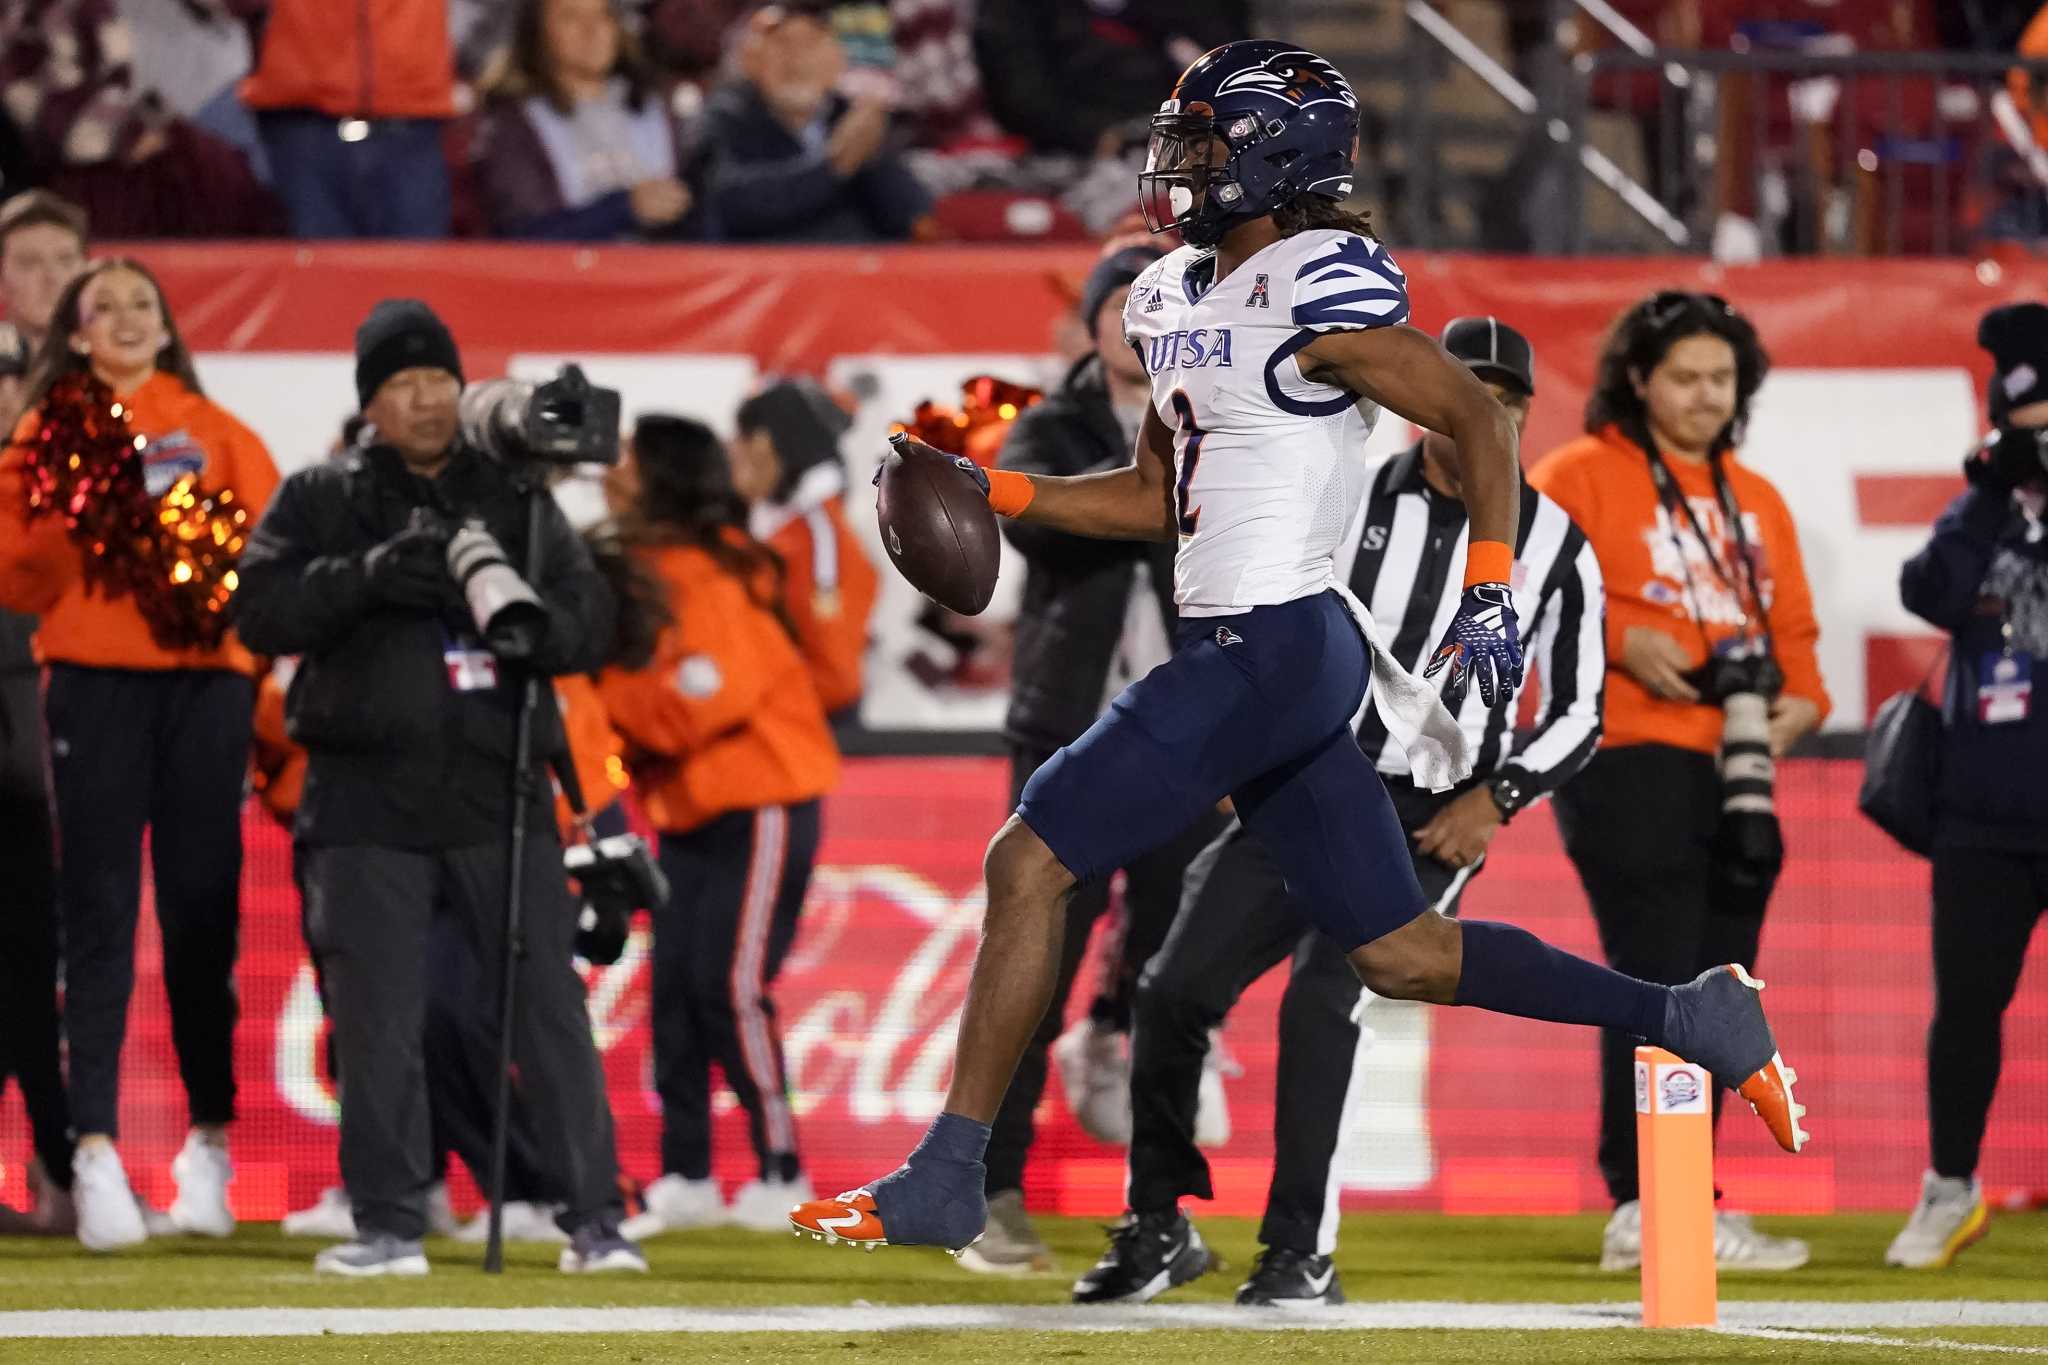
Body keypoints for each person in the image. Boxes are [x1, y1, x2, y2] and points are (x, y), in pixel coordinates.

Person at [791, 40, 1806, 1256]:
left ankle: (950, 1171)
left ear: (1276, 151)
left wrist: (1489, 586)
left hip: (1271, 642)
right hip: (1269, 649)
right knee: (1402, 952)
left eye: (1204, 141)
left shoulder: (1320, 275)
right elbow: (1153, 499)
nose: (1178, 165)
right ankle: (1692, 1017)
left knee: (1028, 859)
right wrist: (1001, 493)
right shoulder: (1169, 295)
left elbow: (1474, 416)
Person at [1085, 315, 1607, 1306]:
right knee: (1171, 989)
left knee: (1326, 997)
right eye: (1462, 397)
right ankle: (1155, 1221)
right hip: (1309, 776)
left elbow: (1580, 707)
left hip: (1430, 808)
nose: (1476, 420)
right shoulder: (1349, 489)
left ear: (1524, 415)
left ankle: (1297, 1252)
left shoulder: (1556, 543)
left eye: (1500, 404)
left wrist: (1491, 800)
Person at [233, 299, 638, 1276]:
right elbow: (259, 612)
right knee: (376, 1019)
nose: (425, 401)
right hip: (362, 797)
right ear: (369, 403)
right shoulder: (316, 496)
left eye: (439, 383)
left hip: (498, 789)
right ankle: (388, 1222)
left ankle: (593, 1221)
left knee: (546, 1009)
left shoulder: (520, 497)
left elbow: (592, 625)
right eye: (402, 385)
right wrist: (371, 575)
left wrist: (534, 618)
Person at [1529, 290, 1827, 1272]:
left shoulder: (1759, 497)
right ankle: (1644, 1203)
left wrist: (1800, 705)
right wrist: (1620, 637)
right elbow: (1509, 597)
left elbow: (1796, 649)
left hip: (1735, 765)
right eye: (1685, 377)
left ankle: (1675, 1199)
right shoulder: (1576, 475)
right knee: (1657, 974)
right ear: (1636, 382)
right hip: (1624, 751)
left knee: (1720, 984)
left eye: (1721, 378)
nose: (1706, 396)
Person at [956, 244, 1233, 1276]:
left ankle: (1154, 1204)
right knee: (1032, 966)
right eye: (1117, 306)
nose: (1131, 322)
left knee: (1175, 967)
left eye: (1149, 304)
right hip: (1070, 730)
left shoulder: (1217, 414)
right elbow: (1031, 529)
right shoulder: (1051, 425)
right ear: (1089, 326)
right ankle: (988, 1192)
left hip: (1188, 731)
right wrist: (1137, 500)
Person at [0, 257, 279, 1252]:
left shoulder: (215, 431)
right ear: (73, 334)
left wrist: (196, 546)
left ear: (166, 327)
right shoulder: (48, 431)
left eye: (141, 306)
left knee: (202, 913)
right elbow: (16, 572)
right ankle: (95, 1149)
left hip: (209, 685)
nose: (123, 318)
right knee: (101, 917)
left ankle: (209, 1144)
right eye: (102, 307)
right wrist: (82, 512)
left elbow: (271, 557)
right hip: (93, 684)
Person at [598, 414, 838, 1235]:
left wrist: (600, 705)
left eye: (628, 458)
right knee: (675, 994)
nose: (611, 469)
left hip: (762, 798)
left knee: (729, 987)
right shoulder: (640, 566)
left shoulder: (706, 574)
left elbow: (700, 702)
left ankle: (783, 1166)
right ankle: (687, 1171)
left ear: (661, 476)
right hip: (692, 806)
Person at [1886, 301, 2048, 1269]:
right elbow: (1925, 593)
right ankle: (1948, 1185)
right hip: (1982, 819)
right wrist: (1993, 489)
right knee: (1965, 1010)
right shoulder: (1981, 511)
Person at [0, 189, 85, 1237]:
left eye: (67, 256)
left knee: (49, 953)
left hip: (67, 705)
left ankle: (72, 1167)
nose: (51, 276)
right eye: (29, 259)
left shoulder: (117, 413)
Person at [695, 2, 933, 242]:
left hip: (853, 271)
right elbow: (734, 203)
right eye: (782, 43)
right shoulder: (727, 116)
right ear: (751, 61)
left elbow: (910, 213)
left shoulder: (851, 117)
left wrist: (872, 156)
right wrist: (835, 166)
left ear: (837, 62)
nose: (796, 60)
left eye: (810, 44)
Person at [476, 0, 702, 241]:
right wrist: (623, 208)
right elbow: (523, 241)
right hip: (569, 275)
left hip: (662, 272)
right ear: (537, 32)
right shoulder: (513, 126)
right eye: (571, 17)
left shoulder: (655, 110)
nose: (591, 30)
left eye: (602, 15)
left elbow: (701, 215)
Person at [239, 0, 456, 238]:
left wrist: (474, 66)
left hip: (413, 121)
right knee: (313, 268)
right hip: (302, 119)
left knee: (415, 269)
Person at [730, 377, 878, 721]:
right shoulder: (788, 529)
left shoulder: (814, 537)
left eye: (738, 439)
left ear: (763, 444)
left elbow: (834, 677)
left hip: (812, 734)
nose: (730, 453)